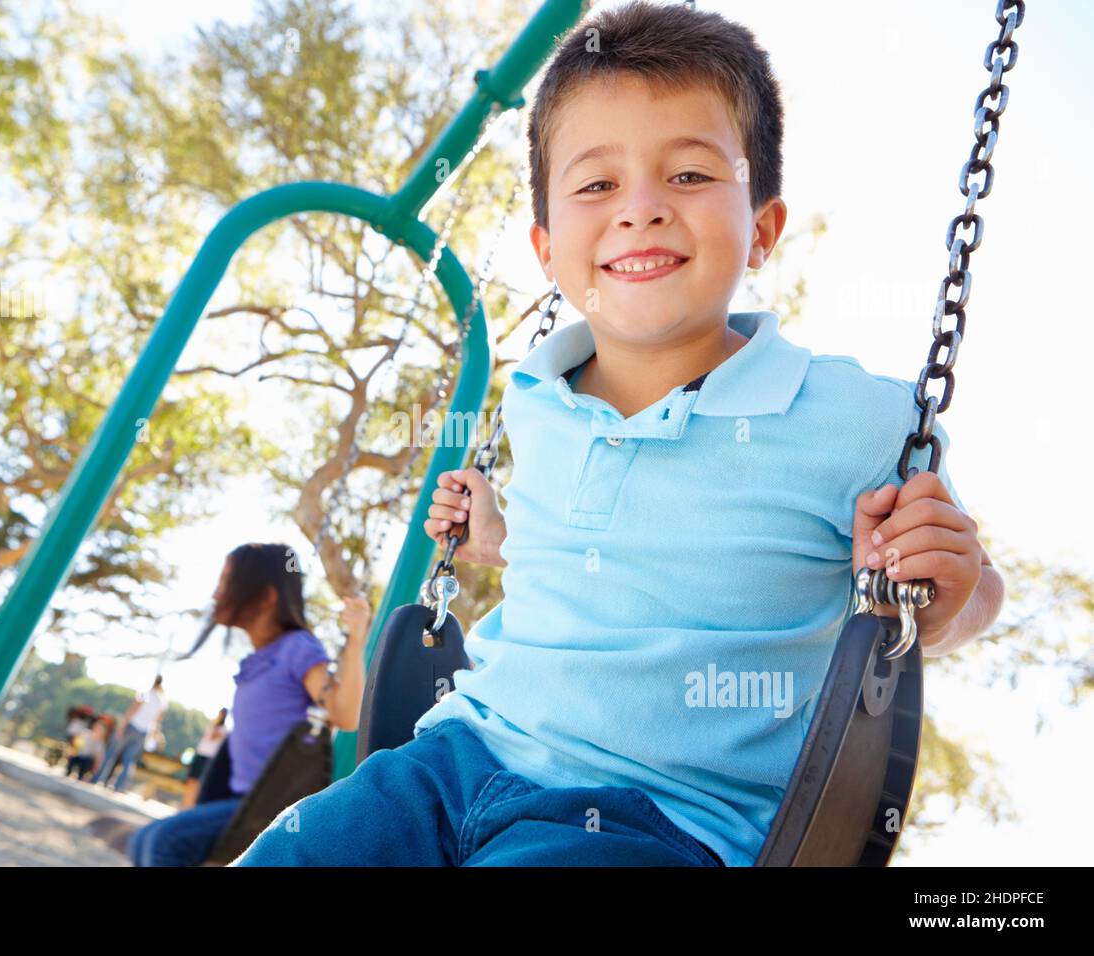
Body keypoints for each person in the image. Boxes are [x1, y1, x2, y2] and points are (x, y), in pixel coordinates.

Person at [231, 2, 1003, 867]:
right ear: (547, 246)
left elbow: (969, 593)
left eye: (689, 176)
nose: (640, 209)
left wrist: (946, 594)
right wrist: (490, 536)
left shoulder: (856, 418)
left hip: (664, 818)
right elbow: (586, 562)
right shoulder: (532, 397)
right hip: (453, 761)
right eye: (597, 184)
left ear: (764, 230)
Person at [127, 543, 372, 866]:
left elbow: (345, 715)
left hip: (269, 807)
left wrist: (356, 640)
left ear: (267, 597)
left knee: (163, 840)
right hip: (238, 802)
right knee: (145, 839)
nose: (217, 593)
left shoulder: (296, 649)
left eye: (227, 582)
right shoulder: (259, 658)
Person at [92, 675, 167, 792]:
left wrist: (122, 725)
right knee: (129, 761)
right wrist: (152, 737)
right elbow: (157, 722)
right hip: (144, 732)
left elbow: (133, 710)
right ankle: (119, 786)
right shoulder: (162, 701)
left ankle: (96, 779)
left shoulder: (146, 693)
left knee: (111, 754)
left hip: (132, 726)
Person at [181, 708, 229, 809]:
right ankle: (184, 806)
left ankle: (190, 807)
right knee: (190, 781)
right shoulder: (212, 725)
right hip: (200, 755)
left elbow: (212, 737)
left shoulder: (223, 730)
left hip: (208, 758)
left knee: (198, 785)